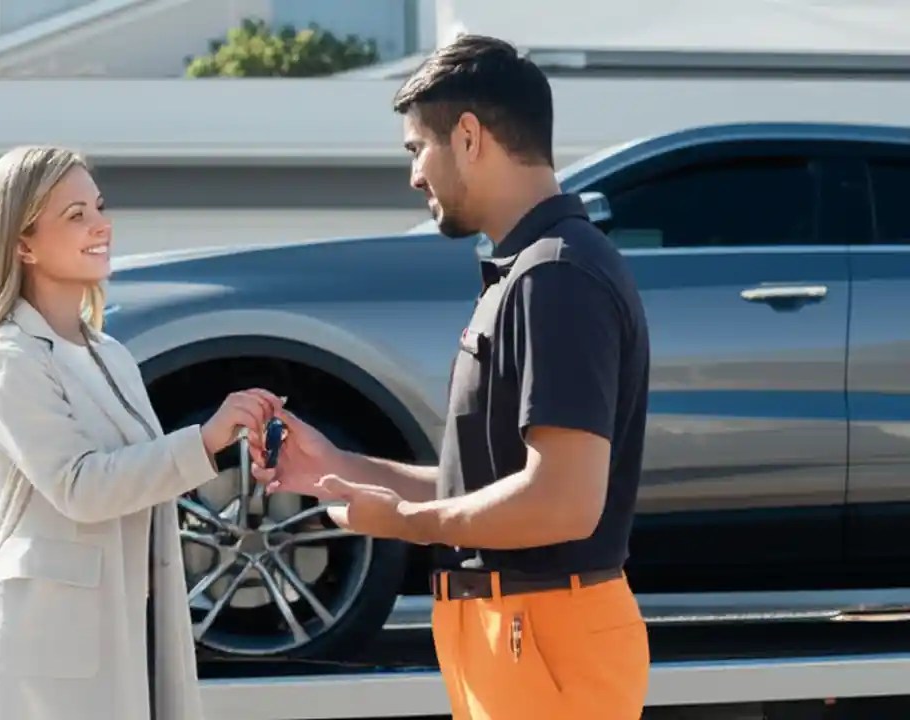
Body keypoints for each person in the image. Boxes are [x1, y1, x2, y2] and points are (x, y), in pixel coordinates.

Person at [253, 35, 652, 720]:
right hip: (522, 635)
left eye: (417, 149)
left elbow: (562, 502)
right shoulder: (533, 272)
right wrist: (339, 467)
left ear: (468, 136)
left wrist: (405, 522)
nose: (413, 175)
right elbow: (490, 490)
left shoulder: (556, 276)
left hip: (545, 635)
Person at [0, 145, 283, 720]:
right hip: (46, 647)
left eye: (98, 207)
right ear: (22, 243)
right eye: (75, 215)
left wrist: (234, 447)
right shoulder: (9, 356)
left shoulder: (110, 354)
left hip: (127, 623)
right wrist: (204, 440)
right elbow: (80, 487)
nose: (101, 225)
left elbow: (141, 475)